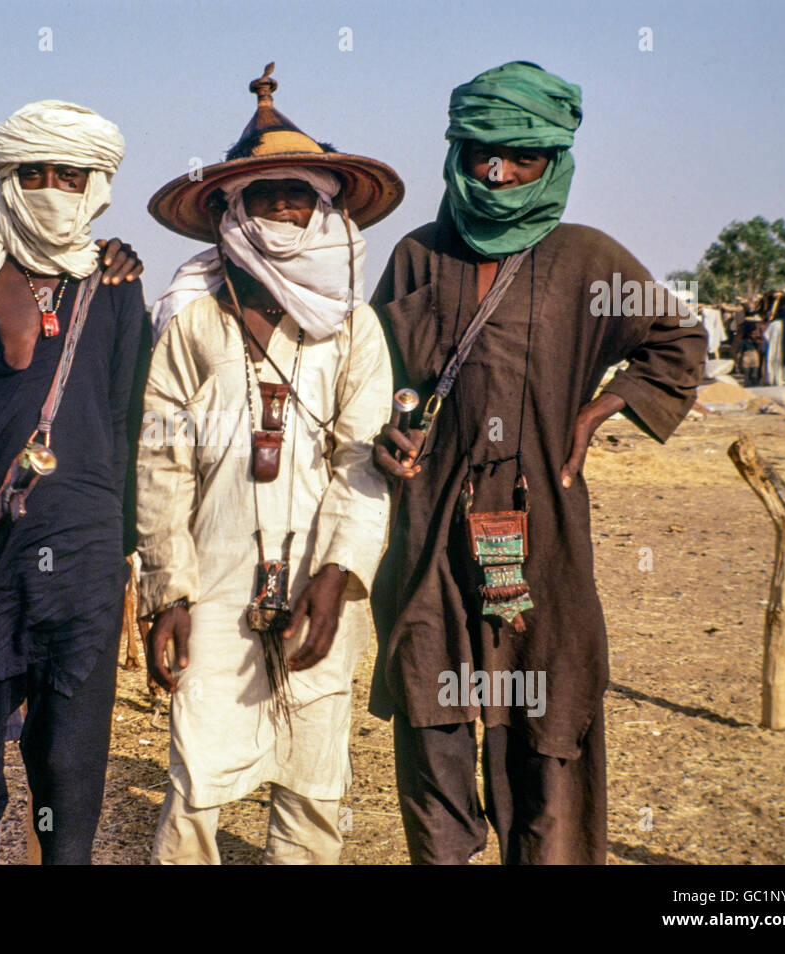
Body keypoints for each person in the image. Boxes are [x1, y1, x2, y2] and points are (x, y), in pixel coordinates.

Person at [369, 62, 706, 865]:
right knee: (434, 712)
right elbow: (374, 380)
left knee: (548, 726)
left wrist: (601, 407)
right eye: (483, 150)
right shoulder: (417, 256)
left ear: (555, 161)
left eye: (521, 156)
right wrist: (390, 433)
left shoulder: (590, 261)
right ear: (457, 151)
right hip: (431, 538)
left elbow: (678, 341)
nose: (498, 171)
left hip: (542, 536)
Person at [137, 65, 401, 864]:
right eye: (264, 195)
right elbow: (161, 469)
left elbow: (365, 462)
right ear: (229, 210)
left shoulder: (353, 329)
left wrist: (341, 574)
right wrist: (166, 593)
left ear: (327, 208)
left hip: (322, 583)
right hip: (212, 587)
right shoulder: (192, 325)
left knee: (315, 781)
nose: (284, 209)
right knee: (195, 779)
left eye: (300, 194)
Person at [0, 100, 149, 865]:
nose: (51, 187)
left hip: (84, 566)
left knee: (69, 782)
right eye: (34, 172)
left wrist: (127, 559)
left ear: (96, 182)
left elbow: (125, 426)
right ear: (9, 178)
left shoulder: (116, 284)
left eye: (69, 173)